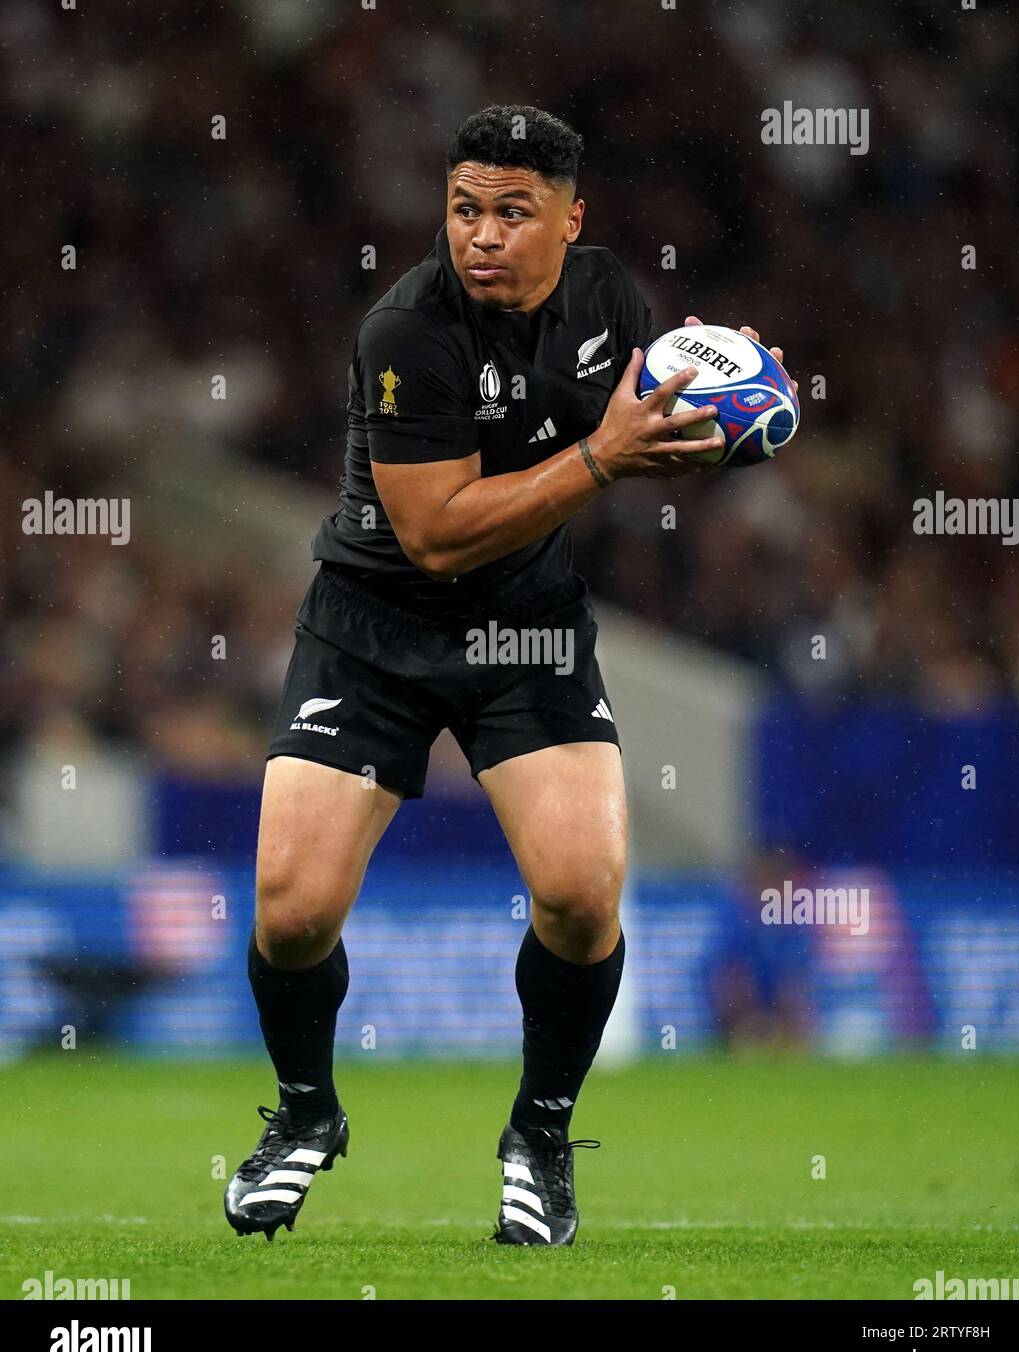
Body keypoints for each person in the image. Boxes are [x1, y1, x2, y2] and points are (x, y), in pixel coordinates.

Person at [224, 103, 792, 1245]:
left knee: (583, 896)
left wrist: (726, 405)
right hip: (372, 629)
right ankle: (303, 1111)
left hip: (524, 628)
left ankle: (538, 1131)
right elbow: (434, 535)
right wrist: (600, 457)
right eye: (463, 208)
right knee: (290, 913)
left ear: (569, 221)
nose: (479, 234)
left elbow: (646, 420)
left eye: (511, 213)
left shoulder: (608, 301)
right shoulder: (405, 332)